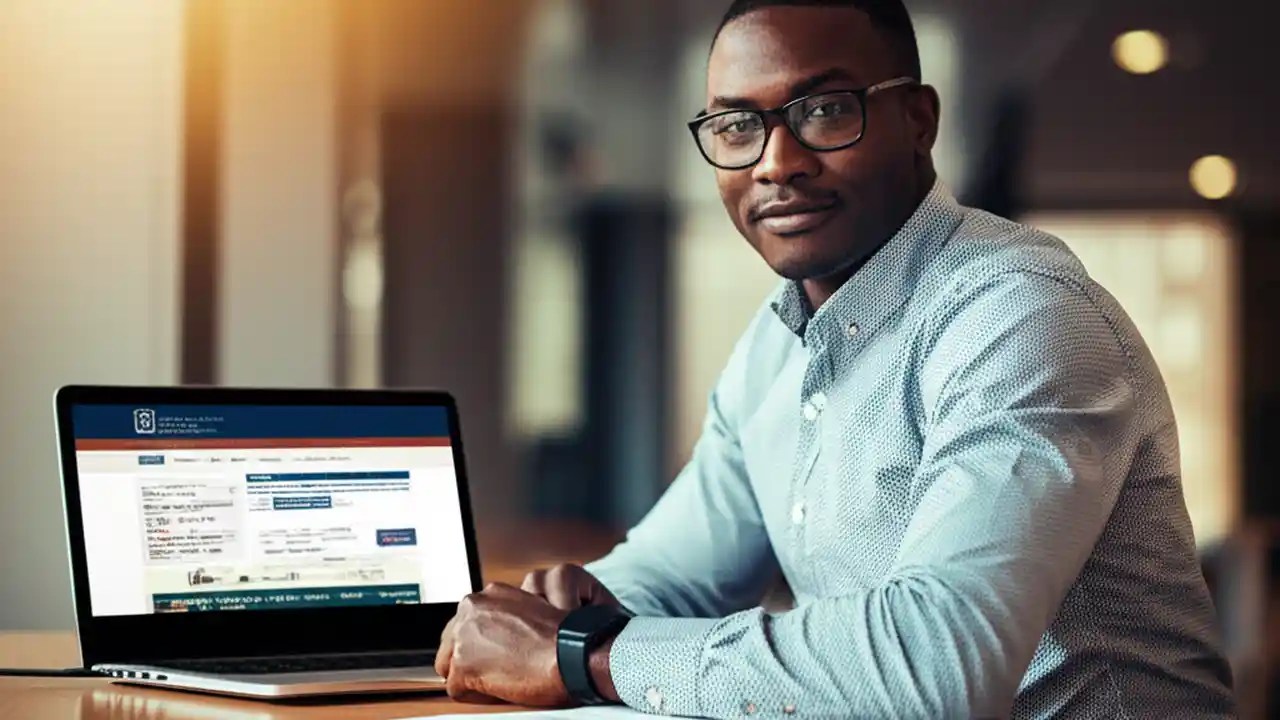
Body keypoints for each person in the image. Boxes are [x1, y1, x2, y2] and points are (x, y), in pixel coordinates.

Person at [433, 0, 1237, 717]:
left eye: (822, 110)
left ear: (919, 119)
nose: (776, 162)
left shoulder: (1021, 316)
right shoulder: (774, 349)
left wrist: (589, 655)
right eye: (737, 126)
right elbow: (677, 571)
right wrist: (571, 609)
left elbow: (938, 670)